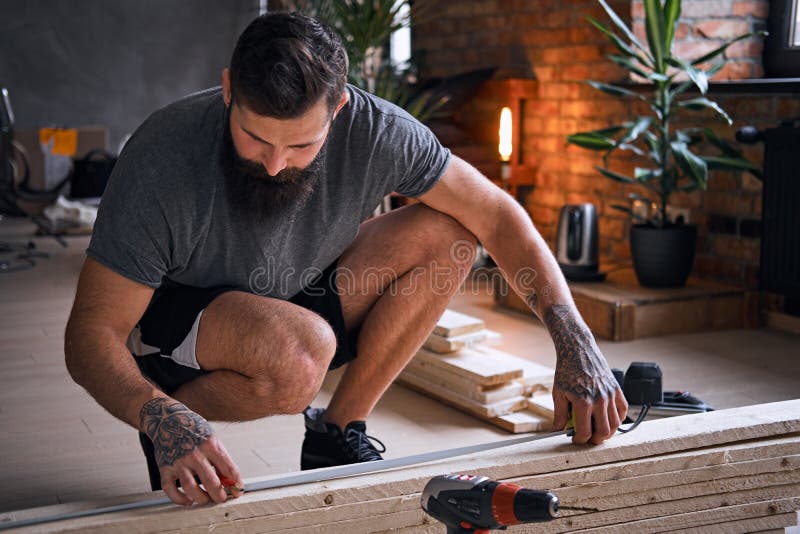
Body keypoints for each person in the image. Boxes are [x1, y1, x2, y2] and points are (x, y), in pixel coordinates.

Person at [64, 12, 627, 508]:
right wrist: (156, 414)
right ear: (230, 88)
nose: (276, 165)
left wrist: (573, 337)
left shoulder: (382, 134)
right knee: (301, 351)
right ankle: (172, 415)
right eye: (256, 139)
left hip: (290, 294)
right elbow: (90, 333)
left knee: (451, 233)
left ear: (339, 105)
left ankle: (337, 433)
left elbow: (498, 216)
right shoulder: (163, 159)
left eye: (302, 146)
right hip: (179, 325)